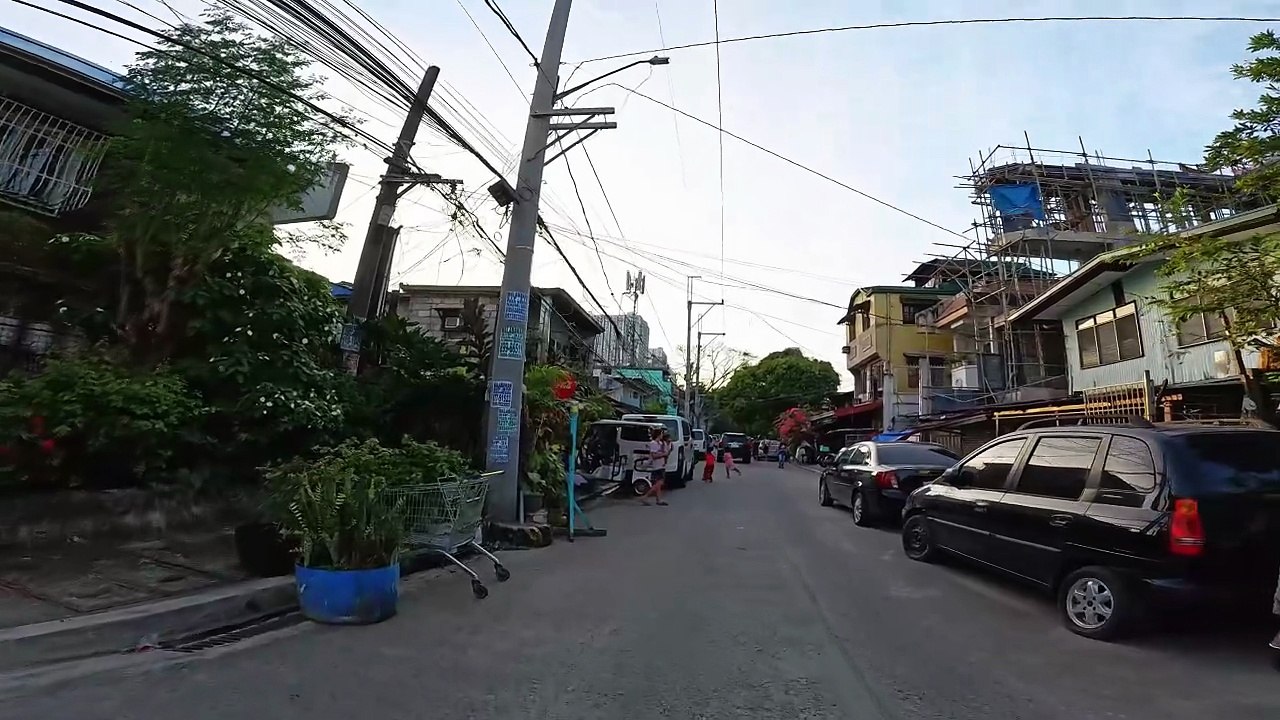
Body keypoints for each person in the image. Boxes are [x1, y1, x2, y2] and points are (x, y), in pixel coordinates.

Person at [639, 427, 669, 506]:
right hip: (657, 465)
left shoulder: (660, 443)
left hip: (661, 465)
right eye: (661, 434)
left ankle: (658, 499)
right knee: (659, 483)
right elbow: (654, 455)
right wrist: (663, 454)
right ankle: (645, 496)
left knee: (658, 483)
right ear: (658, 435)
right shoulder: (653, 443)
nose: (662, 435)